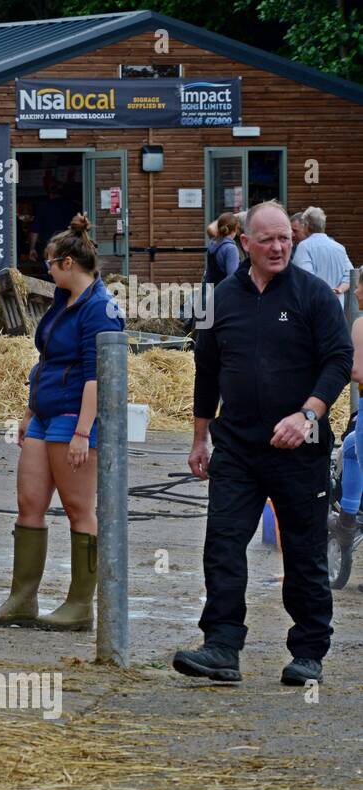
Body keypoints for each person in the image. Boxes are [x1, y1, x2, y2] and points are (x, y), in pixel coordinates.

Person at [175, 200, 353, 687]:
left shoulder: (313, 295)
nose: (278, 247)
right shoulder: (220, 300)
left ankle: (308, 653)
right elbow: (207, 371)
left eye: (285, 239)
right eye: (268, 239)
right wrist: (199, 438)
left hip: (301, 448)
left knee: (303, 551)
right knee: (223, 544)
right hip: (236, 446)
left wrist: (307, 413)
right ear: (245, 243)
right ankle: (221, 647)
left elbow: (339, 359)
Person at [0, 214, 124, 631]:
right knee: (29, 502)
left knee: (80, 508)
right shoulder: (64, 300)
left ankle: (80, 605)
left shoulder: (101, 307)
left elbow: (99, 374)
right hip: (45, 414)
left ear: (67, 263)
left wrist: (83, 431)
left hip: (73, 417)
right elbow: (45, 360)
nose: (44, 268)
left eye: (49, 262)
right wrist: (29, 411)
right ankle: (22, 598)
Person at [329, 270, 363, 559]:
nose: (355, 292)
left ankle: (348, 519)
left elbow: (356, 371)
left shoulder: (361, 324)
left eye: (359, 286)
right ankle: (348, 516)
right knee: (350, 450)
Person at [292, 206, 355, 309]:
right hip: (337, 306)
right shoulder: (339, 248)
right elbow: (351, 275)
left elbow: (305, 278)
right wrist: (338, 290)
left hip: (313, 308)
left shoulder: (304, 246)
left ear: (306, 225)